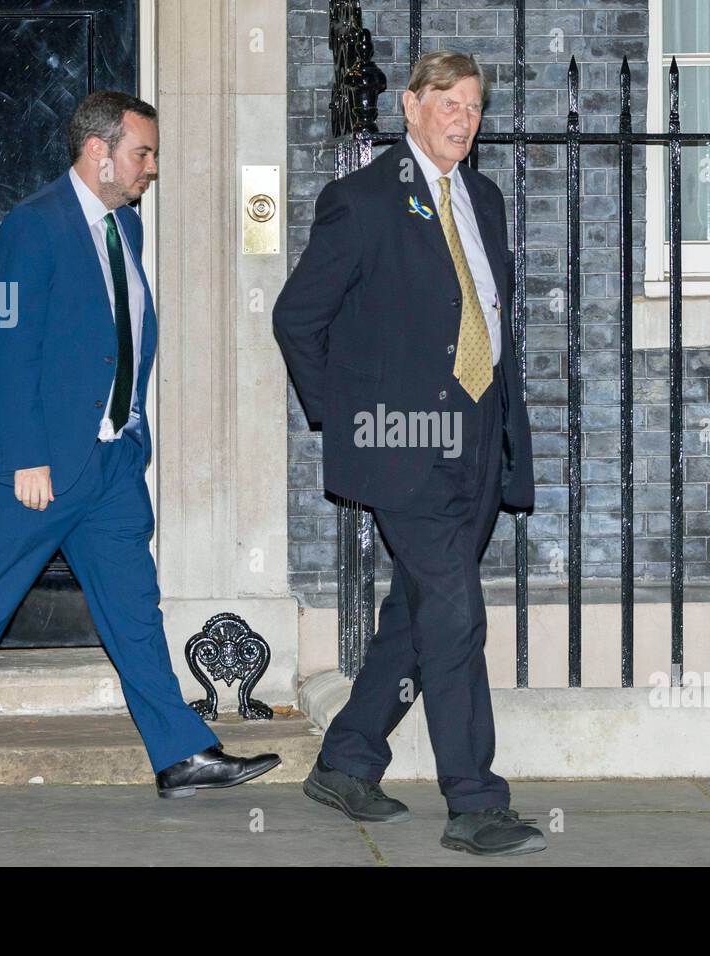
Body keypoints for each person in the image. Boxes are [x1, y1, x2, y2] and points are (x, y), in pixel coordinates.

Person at [0, 91, 279, 800]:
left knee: (135, 610)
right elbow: (11, 354)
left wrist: (129, 436)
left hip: (108, 464)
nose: (152, 168)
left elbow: (122, 339)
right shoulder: (32, 227)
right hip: (36, 466)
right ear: (99, 151)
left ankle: (181, 755)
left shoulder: (122, 228)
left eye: (153, 154)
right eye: (143, 152)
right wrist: (26, 458)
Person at [273, 51, 544, 856]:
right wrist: (347, 418)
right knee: (457, 613)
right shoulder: (360, 202)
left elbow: (488, 323)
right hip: (402, 445)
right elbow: (297, 320)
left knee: (420, 612)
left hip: (477, 442)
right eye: (449, 104)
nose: (464, 119)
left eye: (474, 107)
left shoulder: (484, 200)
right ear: (410, 105)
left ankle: (349, 759)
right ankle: (476, 803)